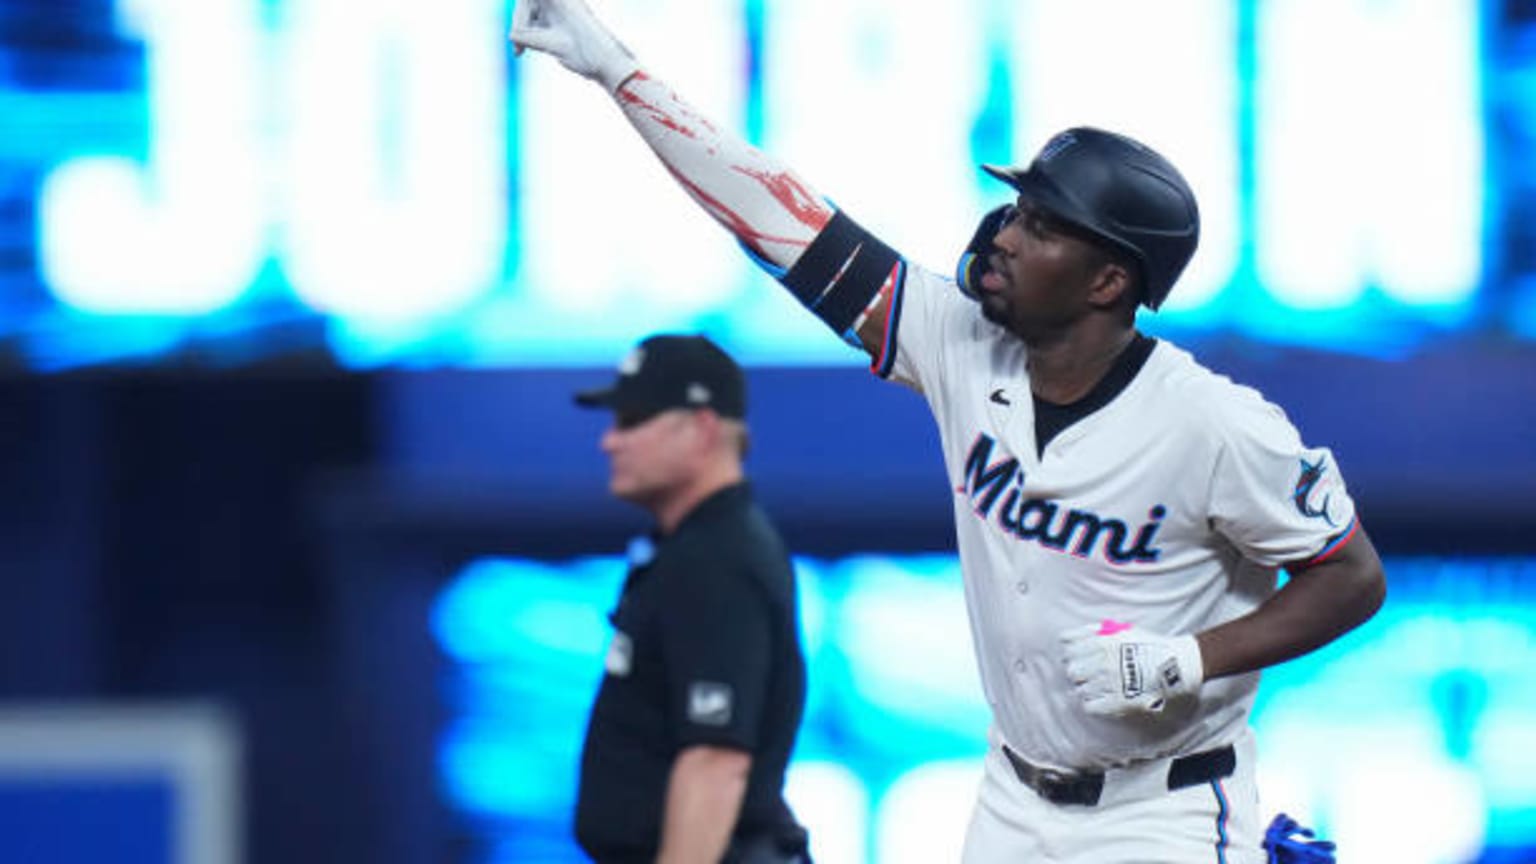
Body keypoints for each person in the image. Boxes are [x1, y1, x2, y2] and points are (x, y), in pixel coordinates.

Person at [514, 4, 1386, 861]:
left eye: (1042, 226)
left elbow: (1350, 576)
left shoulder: (1212, 423)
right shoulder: (960, 345)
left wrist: (1189, 659)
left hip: (1164, 804)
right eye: (1015, 211)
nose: (1005, 234)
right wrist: (619, 74)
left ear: (1107, 280)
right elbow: (783, 222)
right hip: (1012, 793)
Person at [571, 333, 812, 864]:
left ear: (702, 428)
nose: (610, 443)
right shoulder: (691, 548)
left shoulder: (719, 557)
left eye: (632, 421)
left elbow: (715, 761)